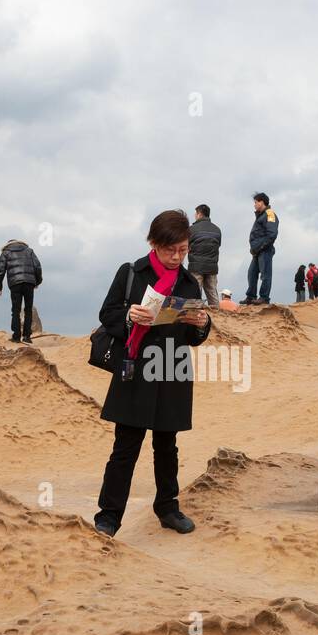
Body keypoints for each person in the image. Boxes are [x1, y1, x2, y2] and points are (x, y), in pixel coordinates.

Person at [93, 209, 213, 537]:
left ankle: (168, 508)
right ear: (153, 243)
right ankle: (108, 516)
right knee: (125, 447)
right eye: (170, 250)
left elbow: (194, 337)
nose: (177, 257)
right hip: (135, 369)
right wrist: (129, 315)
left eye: (183, 251)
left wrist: (202, 324)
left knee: (167, 445)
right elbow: (108, 313)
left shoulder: (189, 283)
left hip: (172, 369)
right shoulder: (132, 272)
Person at [0, 238, 43, 343]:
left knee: (15, 310)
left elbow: (0, 270)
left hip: (15, 283)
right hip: (29, 282)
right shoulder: (29, 251)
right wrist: (37, 282)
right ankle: (27, 336)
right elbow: (38, 266)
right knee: (28, 310)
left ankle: (16, 337)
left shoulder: (6, 252)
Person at [242, 192, 278, 305]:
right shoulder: (261, 215)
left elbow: (272, 234)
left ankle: (264, 298)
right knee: (251, 273)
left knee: (265, 274)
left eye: (256, 202)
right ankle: (251, 296)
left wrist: (260, 246)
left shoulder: (270, 214)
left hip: (265, 250)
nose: (254, 205)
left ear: (262, 202)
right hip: (257, 251)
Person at [188, 204, 222, 307]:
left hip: (196, 266)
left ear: (199, 214)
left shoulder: (192, 229)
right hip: (212, 266)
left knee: (195, 293)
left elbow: (186, 246)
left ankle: (194, 317)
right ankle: (217, 317)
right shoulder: (217, 230)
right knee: (212, 293)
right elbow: (218, 245)